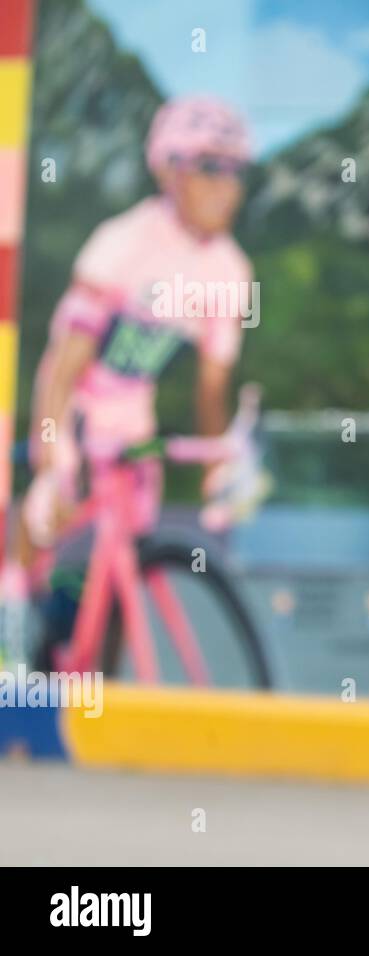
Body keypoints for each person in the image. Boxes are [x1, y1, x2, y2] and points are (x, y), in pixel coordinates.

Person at [13, 95, 253, 654]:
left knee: (129, 557)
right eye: (210, 166)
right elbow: (65, 365)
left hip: (132, 415)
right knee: (46, 519)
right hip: (75, 406)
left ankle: (108, 681)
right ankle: (16, 629)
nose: (227, 185)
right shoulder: (122, 241)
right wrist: (51, 455)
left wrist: (219, 460)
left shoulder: (232, 270)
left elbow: (212, 384)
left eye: (238, 170)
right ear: (171, 170)